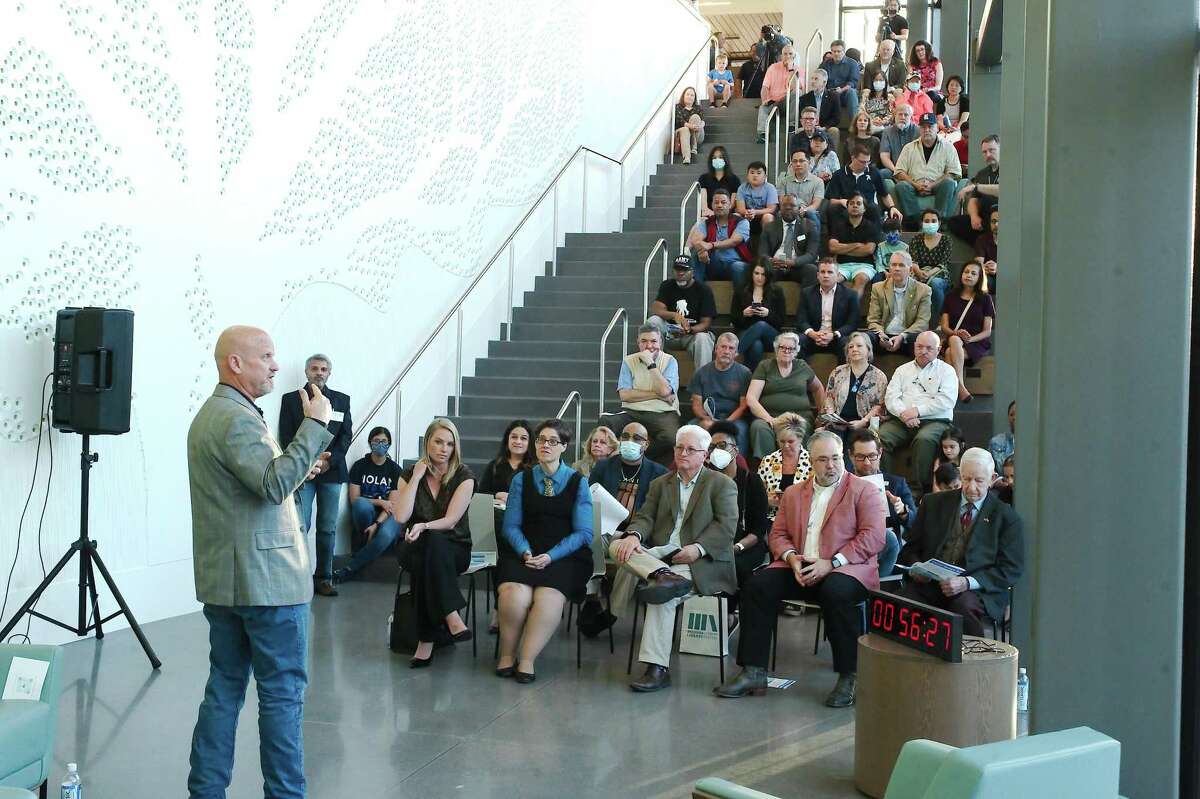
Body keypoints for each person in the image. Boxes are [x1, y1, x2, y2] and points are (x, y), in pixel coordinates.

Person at [187, 325, 333, 799]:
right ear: (235, 363)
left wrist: (295, 465)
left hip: (227, 583)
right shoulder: (238, 418)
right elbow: (273, 486)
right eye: (266, 356)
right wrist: (315, 426)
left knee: (225, 688)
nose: (275, 365)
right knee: (282, 695)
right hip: (267, 586)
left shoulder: (216, 415)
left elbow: (260, 482)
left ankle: (205, 791)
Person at [715, 431, 885, 706]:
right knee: (757, 586)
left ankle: (849, 676)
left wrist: (832, 562)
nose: (830, 465)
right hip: (799, 564)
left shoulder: (864, 490)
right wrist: (792, 558)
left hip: (847, 567)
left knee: (836, 592)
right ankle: (753, 670)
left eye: (835, 458)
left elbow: (874, 536)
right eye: (822, 460)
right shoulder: (794, 493)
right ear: (810, 461)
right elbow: (778, 534)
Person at [609, 425, 739, 692]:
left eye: (691, 449)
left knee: (662, 597)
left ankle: (657, 668)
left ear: (704, 455)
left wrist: (697, 549)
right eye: (680, 447)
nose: (683, 453)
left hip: (701, 560)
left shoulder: (722, 484)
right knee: (617, 545)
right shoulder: (661, 484)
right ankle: (661, 575)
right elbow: (645, 518)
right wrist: (634, 535)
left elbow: (726, 527)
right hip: (664, 555)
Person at [496, 419, 594, 682]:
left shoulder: (577, 482)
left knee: (548, 598)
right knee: (513, 595)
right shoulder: (521, 479)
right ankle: (506, 654)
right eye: (541, 440)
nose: (545, 445)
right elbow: (511, 526)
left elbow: (584, 533)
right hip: (525, 551)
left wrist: (551, 556)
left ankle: (526, 659)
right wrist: (525, 551)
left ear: (564, 446)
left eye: (553, 441)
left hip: (564, 555)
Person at [896, 448, 1024, 635]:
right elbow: (910, 549)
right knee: (899, 605)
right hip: (930, 584)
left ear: (992, 478)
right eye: (966, 479)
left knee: (961, 609)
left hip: (975, 590)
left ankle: (971, 663)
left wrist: (967, 582)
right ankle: (907, 661)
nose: (971, 487)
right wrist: (916, 567)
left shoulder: (1006, 517)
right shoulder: (932, 503)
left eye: (979, 481)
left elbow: (1011, 568)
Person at [392, 418, 475, 667]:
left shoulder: (464, 476)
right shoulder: (408, 475)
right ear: (427, 441)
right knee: (426, 549)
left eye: (450, 444)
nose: (444, 449)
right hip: (413, 545)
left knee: (432, 545)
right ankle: (451, 615)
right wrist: (417, 478)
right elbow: (401, 516)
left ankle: (425, 641)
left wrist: (424, 525)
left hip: (455, 548)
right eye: (438, 442)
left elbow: (450, 521)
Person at [577, 422, 670, 638]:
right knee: (591, 534)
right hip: (606, 532)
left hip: (638, 536)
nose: (630, 441)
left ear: (646, 444)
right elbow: (588, 502)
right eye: (625, 436)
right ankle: (592, 596)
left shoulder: (659, 474)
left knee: (633, 551)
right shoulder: (604, 467)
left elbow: (658, 516)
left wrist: (635, 534)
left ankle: (612, 612)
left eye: (637, 438)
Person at [279, 352, 352, 598]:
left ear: (329, 373)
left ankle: (324, 578)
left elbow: (345, 437)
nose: (318, 373)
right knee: (302, 524)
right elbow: (286, 435)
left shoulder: (341, 400)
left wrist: (328, 463)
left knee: (328, 527)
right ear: (306, 372)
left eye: (323, 369)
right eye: (314, 368)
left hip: (331, 472)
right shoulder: (290, 400)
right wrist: (308, 462)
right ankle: (299, 577)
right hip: (303, 472)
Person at [877, 331, 958, 491]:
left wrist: (917, 411)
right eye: (919, 347)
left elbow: (946, 400)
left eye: (929, 348)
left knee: (924, 440)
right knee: (879, 438)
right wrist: (904, 414)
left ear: (938, 349)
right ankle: (884, 486)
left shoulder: (947, 371)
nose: (923, 351)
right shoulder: (902, 370)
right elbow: (891, 397)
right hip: (901, 420)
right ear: (914, 347)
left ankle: (917, 490)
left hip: (935, 421)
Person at [706, 421, 770, 613]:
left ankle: (730, 613)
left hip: (746, 544)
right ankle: (714, 616)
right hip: (715, 543)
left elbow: (759, 530)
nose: (716, 451)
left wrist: (736, 547)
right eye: (712, 447)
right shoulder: (707, 481)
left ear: (736, 450)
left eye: (722, 446)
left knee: (734, 566)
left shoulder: (752, 481)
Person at [332, 426, 404, 583]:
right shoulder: (359, 466)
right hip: (366, 515)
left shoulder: (395, 470)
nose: (380, 444)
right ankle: (366, 538)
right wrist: (379, 501)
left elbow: (392, 505)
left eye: (384, 441)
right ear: (370, 442)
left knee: (385, 534)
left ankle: (350, 568)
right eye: (376, 441)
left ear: (389, 444)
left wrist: (377, 524)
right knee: (361, 505)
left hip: (388, 516)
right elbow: (354, 499)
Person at [603, 325, 681, 464]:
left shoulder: (670, 361)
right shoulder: (628, 361)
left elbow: (664, 390)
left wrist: (650, 363)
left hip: (663, 412)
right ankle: (610, 464)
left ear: (661, 342)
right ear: (638, 343)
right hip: (632, 411)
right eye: (644, 341)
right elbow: (625, 395)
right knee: (605, 424)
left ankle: (637, 459)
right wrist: (658, 395)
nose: (649, 345)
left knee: (671, 438)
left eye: (653, 341)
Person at [848, 428, 915, 578]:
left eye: (872, 456)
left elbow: (916, 524)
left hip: (886, 551)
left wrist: (903, 511)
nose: (867, 463)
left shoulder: (896, 484)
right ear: (851, 456)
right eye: (860, 457)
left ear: (880, 453)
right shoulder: (842, 484)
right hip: (852, 547)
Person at [746, 331, 825, 457]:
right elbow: (751, 398)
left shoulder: (802, 366)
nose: (787, 351)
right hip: (770, 417)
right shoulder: (765, 366)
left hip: (798, 417)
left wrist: (822, 416)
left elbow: (818, 389)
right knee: (759, 427)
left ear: (796, 351)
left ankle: (800, 470)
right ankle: (766, 469)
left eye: (791, 348)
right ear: (777, 349)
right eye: (783, 347)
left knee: (800, 427)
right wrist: (769, 419)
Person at [818, 332, 889, 455]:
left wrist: (864, 421)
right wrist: (831, 414)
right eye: (851, 347)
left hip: (863, 424)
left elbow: (880, 406)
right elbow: (829, 396)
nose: (854, 349)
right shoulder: (837, 372)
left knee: (851, 455)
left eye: (859, 346)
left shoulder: (878, 376)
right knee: (829, 451)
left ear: (868, 350)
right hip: (838, 422)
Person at [648, 255, 718, 370]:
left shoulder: (703, 290)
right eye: (677, 270)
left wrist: (689, 330)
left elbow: (706, 323)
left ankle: (702, 383)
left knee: (703, 338)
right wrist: (674, 315)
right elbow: (657, 309)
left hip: (692, 335)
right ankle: (652, 371)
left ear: (692, 272)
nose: (680, 273)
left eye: (685, 270)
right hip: (670, 333)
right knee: (653, 321)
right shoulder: (667, 285)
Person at [940, 260, 994, 403]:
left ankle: (956, 387)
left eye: (973, 273)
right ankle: (961, 387)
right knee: (954, 339)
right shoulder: (950, 296)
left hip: (976, 342)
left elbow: (987, 331)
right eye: (966, 272)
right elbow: (944, 326)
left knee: (948, 352)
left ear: (979, 278)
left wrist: (969, 339)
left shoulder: (985, 299)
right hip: (954, 337)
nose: (968, 275)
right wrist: (956, 333)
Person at [893, 112, 963, 221]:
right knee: (902, 186)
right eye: (923, 127)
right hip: (914, 185)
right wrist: (916, 185)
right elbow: (899, 172)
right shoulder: (909, 147)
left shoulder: (948, 147)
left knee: (949, 183)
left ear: (937, 127)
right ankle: (917, 223)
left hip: (937, 185)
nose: (926, 130)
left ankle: (938, 221)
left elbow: (954, 173)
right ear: (919, 129)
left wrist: (932, 185)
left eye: (930, 126)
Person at [689, 332, 753, 450]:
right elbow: (696, 405)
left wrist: (725, 423)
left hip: (734, 418)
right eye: (723, 347)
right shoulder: (701, 373)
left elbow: (743, 406)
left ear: (736, 353)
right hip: (708, 417)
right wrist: (706, 419)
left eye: (731, 348)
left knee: (741, 431)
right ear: (716, 349)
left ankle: (740, 467)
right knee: (689, 429)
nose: (726, 351)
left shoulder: (745, 373)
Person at [867, 251, 932, 356]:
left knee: (921, 340)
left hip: (908, 336)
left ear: (910, 270)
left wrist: (902, 336)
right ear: (889, 268)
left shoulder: (924, 290)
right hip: (884, 335)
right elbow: (873, 320)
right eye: (893, 265)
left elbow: (922, 322)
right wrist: (881, 335)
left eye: (901, 265)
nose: (897, 268)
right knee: (864, 339)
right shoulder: (877, 288)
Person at [797, 257, 861, 362]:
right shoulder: (807, 293)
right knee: (796, 341)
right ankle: (800, 377)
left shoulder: (850, 294)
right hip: (813, 337)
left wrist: (834, 334)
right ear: (818, 275)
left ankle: (842, 377)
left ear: (837, 275)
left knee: (847, 344)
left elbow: (853, 323)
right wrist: (812, 333)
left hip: (837, 337)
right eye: (822, 272)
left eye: (830, 272)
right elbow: (801, 320)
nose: (826, 275)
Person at [827, 143, 904, 227]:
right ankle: (834, 238)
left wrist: (892, 207)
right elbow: (832, 200)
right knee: (833, 209)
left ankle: (875, 238)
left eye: (868, 162)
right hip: (848, 206)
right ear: (853, 158)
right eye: (862, 162)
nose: (866, 165)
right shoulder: (839, 174)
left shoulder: (874, 172)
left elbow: (884, 194)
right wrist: (841, 201)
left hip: (868, 207)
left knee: (874, 209)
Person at [685, 189, 752, 283]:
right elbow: (696, 240)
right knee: (697, 254)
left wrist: (710, 245)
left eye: (723, 202)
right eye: (716, 203)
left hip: (735, 262)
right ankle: (697, 292)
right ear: (712, 206)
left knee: (738, 267)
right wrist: (701, 249)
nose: (719, 205)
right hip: (714, 264)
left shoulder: (741, 222)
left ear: (729, 205)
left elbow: (734, 241)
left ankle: (741, 297)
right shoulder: (707, 222)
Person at [756, 413, 814, 520]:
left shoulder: (812, 462)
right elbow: (756, 496)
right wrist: (768, 501)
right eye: (782, 441)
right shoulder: (768, 461)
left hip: (804, 519)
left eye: (791, 441)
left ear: (800, 439)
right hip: (773, 519)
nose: (786, 446)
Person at [732, 265, 788, 371]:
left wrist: (768, 314)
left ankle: (734, 353)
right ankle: (750, 380)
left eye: (763, 274)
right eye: (756, 273)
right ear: (751, 274)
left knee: (761, 325)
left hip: (770, 335)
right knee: (756, 345)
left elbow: (781, 321)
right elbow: (733, 319)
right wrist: (744, 314)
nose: (759, 277)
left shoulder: (776, 291)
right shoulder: (741, 290)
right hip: (746, 332)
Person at [757, 193, 819, 285]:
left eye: (792, 205)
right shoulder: (769, 227)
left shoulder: (809, 226)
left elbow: (811, 254)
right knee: (761, 270)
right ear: (780, 208)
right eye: (784, 205)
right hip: (775, 266)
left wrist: (793, 262)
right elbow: (762, 252)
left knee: (811, 270)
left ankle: (805, 299)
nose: (788, 208)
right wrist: (770, 261)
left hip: (797, 266)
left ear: (799, 208)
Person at [828, 193, 882, 297]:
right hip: (842, 265)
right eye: (851, 203)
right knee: (831, 281)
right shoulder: (838, 225)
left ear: (864, 209)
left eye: (858, 203)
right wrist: (856, 245)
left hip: (865, 265)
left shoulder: (871, 227)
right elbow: (833, 247)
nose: (855, 206)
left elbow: (869, 250)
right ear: (847, 207)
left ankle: (852, 312)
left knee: (860, 279)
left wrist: (843, 248)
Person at [949, 134, 998, 244]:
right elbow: (973, 199)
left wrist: (977, 186)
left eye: (992, 150)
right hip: (984, 219)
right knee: (954, 222)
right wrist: (974, 216)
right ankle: (984, 245)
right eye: (984, 152)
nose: (988, 154)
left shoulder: (1009, 169)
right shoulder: (982, 173)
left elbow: (1003, 190)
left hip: (1002, 218)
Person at [909, 208, 952, 320]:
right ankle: (910, 320)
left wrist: (929, 274)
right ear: (922, 223)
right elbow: (913, 261)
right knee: (909, 282)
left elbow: (943, 263)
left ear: (939, 223)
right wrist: (918, 272)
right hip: (918, 273)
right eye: (927, 221)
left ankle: (941, 320)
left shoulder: (946, 240)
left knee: (935, 283)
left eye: (933, 221)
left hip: (940, 274)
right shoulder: (916, 239)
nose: (930, 223)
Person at [478, 420, 533, 505]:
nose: (518, 441)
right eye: (514, 437)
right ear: (507, 439)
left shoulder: (536, 468)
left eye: (524, 438)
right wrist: (497, 495)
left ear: (530, 442)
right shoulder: (494, 465)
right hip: (497, 515)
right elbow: (480, 494)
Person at [757, 44, 801, 143]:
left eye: (790, 54)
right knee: (763, 108)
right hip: (775, 102)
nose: (788, 56)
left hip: (788, 102)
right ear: (781, 56)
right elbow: (764, 87)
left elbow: (795, 88)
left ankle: (791, 125)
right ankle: (762, 134)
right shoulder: (772, 68)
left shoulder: (798, 70)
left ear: (794, 56)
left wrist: (790, 69)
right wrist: (764, 100)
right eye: (785, 54)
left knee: (798, 92)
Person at [775, 151, 825, 234]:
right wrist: (794, 209)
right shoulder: (783, 181)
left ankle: (815, 244)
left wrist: (804, 209)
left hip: (808, 210)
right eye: (795, 161)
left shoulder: (818, 182)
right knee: (780, 214)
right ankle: (779, 244)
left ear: (809, 162)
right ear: (791, 164)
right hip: (789, 209)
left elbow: (816, 204)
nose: (798, 164)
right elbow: (782, 201)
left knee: (811, 214)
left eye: (801, 161)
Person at [798, 69, 842, 152]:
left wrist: (824, 127)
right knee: (799, 130)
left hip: (825, 127)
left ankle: (831, 158)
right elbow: (801, 116)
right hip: (809, 126)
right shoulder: (805, 98)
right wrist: (810, 126)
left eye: (816, 79)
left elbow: (836, 118)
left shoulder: (833, 96)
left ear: (824, 82)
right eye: (812, 78)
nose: (812, 82)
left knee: (834, 131)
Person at [735, 161, 779, 239]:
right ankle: (738, 244)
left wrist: (755, 212)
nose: (755, 175)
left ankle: (767, 244)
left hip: (763, 217)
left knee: (768, 217)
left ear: (765, 176)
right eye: (752, 173)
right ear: (747, 175)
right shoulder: (742, 188)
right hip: (747, 217)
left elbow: (771, 209)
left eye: (759, 173)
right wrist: (748, 213)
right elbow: (740, 209)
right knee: (735, 216)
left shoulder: (770, 188)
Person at [820, 40, 862, 118]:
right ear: (831, 51)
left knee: (852, 92)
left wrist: (841, 90)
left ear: (844, 51)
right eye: (834, 51)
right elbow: (819, 78)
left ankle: (855, 124)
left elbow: (853, 83)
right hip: (829, 93)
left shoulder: (852, 63)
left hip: (844, 93)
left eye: (839, 51)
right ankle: (821, 126)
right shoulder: (825, 64)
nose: (836, 54)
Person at [697, 146, 741, 217]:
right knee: (699, 224)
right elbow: (703, 203)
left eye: (720, 157)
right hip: (709, 214)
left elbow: (732, 204)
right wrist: (707, 211)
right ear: (711, 160)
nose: (717, 159)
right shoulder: (703, 178)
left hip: (727, 213)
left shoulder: (734, 179)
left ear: (725, 159)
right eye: (714, 158)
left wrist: (721, 212)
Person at [935, 75, 971, 160]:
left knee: (956, 139)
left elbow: (964, 119)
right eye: (951, 85)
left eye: (957, 85)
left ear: (961, 88)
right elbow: (939, 120)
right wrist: (944, 128)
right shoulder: (941, 102)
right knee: (938, 140)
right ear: (947, 87)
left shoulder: (965, 101)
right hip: (945, 129)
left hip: (959, 128)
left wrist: (957, 128)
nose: (953, 87)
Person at [673, 87, 705, 165]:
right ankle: (687, 157)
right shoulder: (678, 107)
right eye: (687, 94)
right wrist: (690, 126)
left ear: (694, 98)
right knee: (685, 129)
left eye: (692, 95)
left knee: (695, 117)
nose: (690, 97)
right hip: (682, 136)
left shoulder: (698, 108)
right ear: (683, 96)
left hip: (698, 135)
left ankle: (694, 146)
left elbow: (703, 121)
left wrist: (700, 126)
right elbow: (680, 121)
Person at [974, 206, 1000, 295]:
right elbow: (978, 263)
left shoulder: (1014, 239)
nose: (996, 225)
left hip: (1007, 276)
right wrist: (984, 267)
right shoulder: (982, 239)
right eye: (993, 221)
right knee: (983, 280)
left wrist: (999, 268)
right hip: (989, 275)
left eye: (1000, 221)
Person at [989, 401, 1015, 469]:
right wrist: (998, 478)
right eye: (1011, 414)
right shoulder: (997, 442)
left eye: (1019, 414)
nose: (1014, 418)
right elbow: (989, 468)